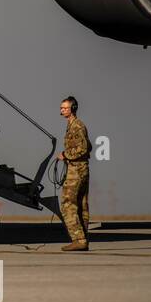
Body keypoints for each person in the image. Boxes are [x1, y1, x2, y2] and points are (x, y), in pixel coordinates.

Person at [57, 96, 90, 251]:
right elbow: (87, 146)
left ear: (73, 109)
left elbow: (83, 148)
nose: (61, 110)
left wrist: (66, 155)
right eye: (61, 108)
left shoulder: (77, 126)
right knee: (80, 204)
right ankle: (83, 239)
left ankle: (78, 238)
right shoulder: (73, 125)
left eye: (64, 108)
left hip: (76, 169)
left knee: (67, 204)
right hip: (79, 168)